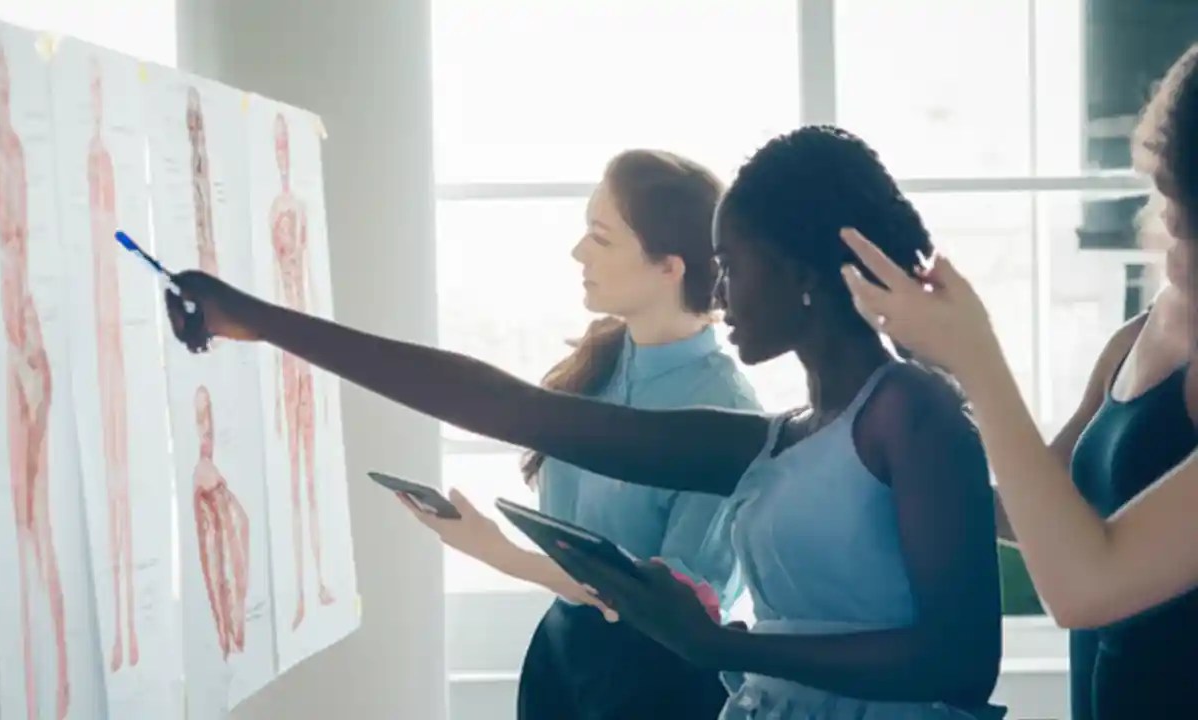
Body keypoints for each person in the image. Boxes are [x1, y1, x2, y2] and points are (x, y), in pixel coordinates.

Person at [164, 126, 1003, 719]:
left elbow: (960, 660)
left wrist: (727, 650)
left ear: (798, 276)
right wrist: (263, 322)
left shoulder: (912, 412)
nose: (720, 291)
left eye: (733, 266)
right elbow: (509, 406)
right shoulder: (775, 438)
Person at [842, 44, 1198, 720]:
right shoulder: (1146, 329)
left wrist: (979, 355)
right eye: (1166, 184)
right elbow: (1041, 516)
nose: (1170, 218)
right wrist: (932, 402)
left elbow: (1084, 589)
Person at [399, 149, 761, 719]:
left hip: (656, 685)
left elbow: (675, 606)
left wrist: (496, 551)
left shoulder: (726, 412)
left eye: (601, 237)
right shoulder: (599, 365)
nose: (577, 252)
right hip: (562, 658)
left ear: (669, 266)